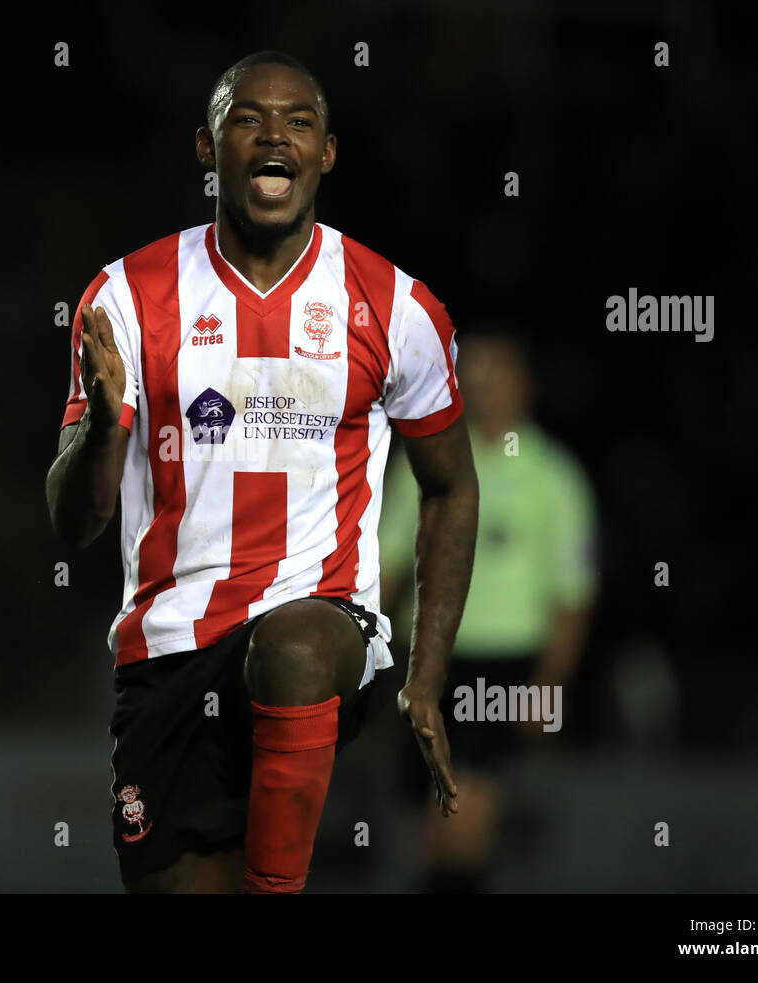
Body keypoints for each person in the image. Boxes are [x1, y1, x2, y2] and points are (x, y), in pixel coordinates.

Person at [45, 50, 479, 894]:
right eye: (247, 118)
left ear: (326, 154)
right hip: (169, 653)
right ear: (207, 150)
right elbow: (76, 521)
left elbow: (452, 485)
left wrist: (424, 676)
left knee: (295, 644)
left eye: (299, 122)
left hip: (321, 627)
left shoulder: (395, 306)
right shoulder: (128, 297)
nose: (273, 134)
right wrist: (102, 427)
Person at [380, 329, 598, 892]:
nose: (484, 389)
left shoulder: (555, 479)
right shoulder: (427, 463)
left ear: (526, 386)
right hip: (425, 662)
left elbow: (572, 596)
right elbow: (387, 568)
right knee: (427, 833)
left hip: (500, 671)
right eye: (472, 376)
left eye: (498, 375)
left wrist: (551, 684)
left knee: (463, 824)